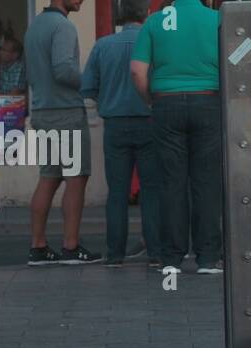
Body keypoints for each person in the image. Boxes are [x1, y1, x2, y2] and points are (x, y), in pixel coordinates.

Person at [131, 0, 223, 275]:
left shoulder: (154, 22)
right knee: (206, 182)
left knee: (171, 182)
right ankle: (207, 257)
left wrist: (150, 101)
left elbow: (137, 70)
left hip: (165, 102)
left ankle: (171, 258)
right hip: (208, 100)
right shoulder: (217, 19)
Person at [81, 0, 162, 268]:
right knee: (151, 189)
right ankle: (155, 252)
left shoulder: (103, 45)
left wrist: (108, 99)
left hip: (114, 124)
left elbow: (88, 87)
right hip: (149, 121)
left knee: (117, 191)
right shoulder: (154, 42)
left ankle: (115, 254)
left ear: (118, 15)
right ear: (146, 13)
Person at [24, 0, 100, 266]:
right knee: (76, 178)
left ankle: (38, 247)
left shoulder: (34, 27)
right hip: (65, 112)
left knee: (49, 177)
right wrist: (92, 81)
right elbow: (64, 69)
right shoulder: (63, 26)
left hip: (42, 110)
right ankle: (71, 247)